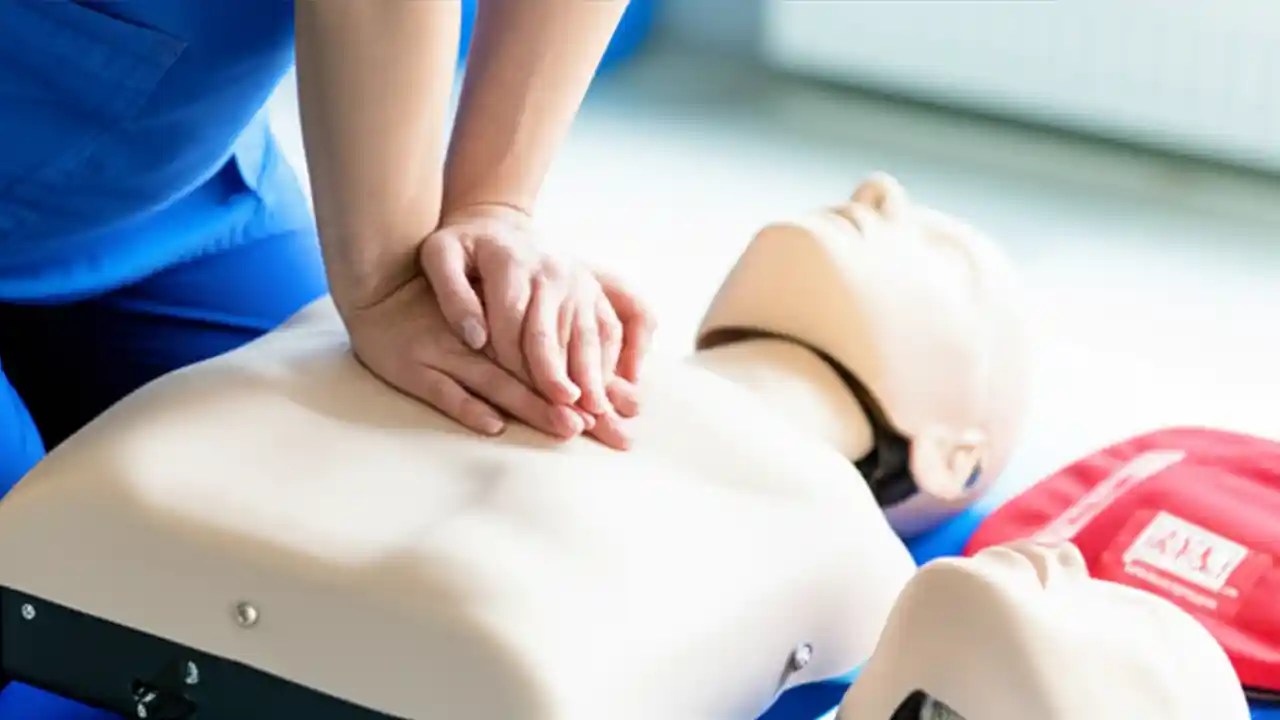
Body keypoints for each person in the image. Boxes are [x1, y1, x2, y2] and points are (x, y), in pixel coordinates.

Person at [0, 175, 1031, 719]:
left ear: (951, 459)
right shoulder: (454, 309)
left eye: (940, 257)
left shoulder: (844, 556)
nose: (877, 188)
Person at [0, 0, 654, 506]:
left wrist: (495, 205)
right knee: (28, 550)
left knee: (347, 486)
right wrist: (384, 284)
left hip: (166, 187)